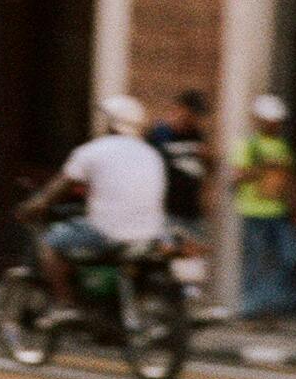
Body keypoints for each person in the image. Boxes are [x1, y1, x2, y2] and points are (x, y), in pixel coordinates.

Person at [15, 95, 168, 321]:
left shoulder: (93, 150)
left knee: (50, 243)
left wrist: (35, 205)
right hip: (150, 233)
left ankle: (65, 303)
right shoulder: (152, 155)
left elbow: (61, 186)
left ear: (110, 123)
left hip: (107, 231)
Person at [230, 93, 296, 323]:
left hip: (278, 213)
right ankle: (252, 309)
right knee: (256, 264)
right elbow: (236, 178)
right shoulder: (248, 145)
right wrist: (261, 168)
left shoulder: (281, 146)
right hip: (254, 213)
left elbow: (290, 179)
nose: (275, 125)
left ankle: (268, 302)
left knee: (290, 257)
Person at [145, 89, 212, 237]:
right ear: (181, 108)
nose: (195, 118)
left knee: (194, 257)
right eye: (192, 113)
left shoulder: (197, 135)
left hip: (192, 212)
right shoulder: (159, 134)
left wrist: (208, 160)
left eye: (198, 115)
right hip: (166, 211)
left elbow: (203, 171)